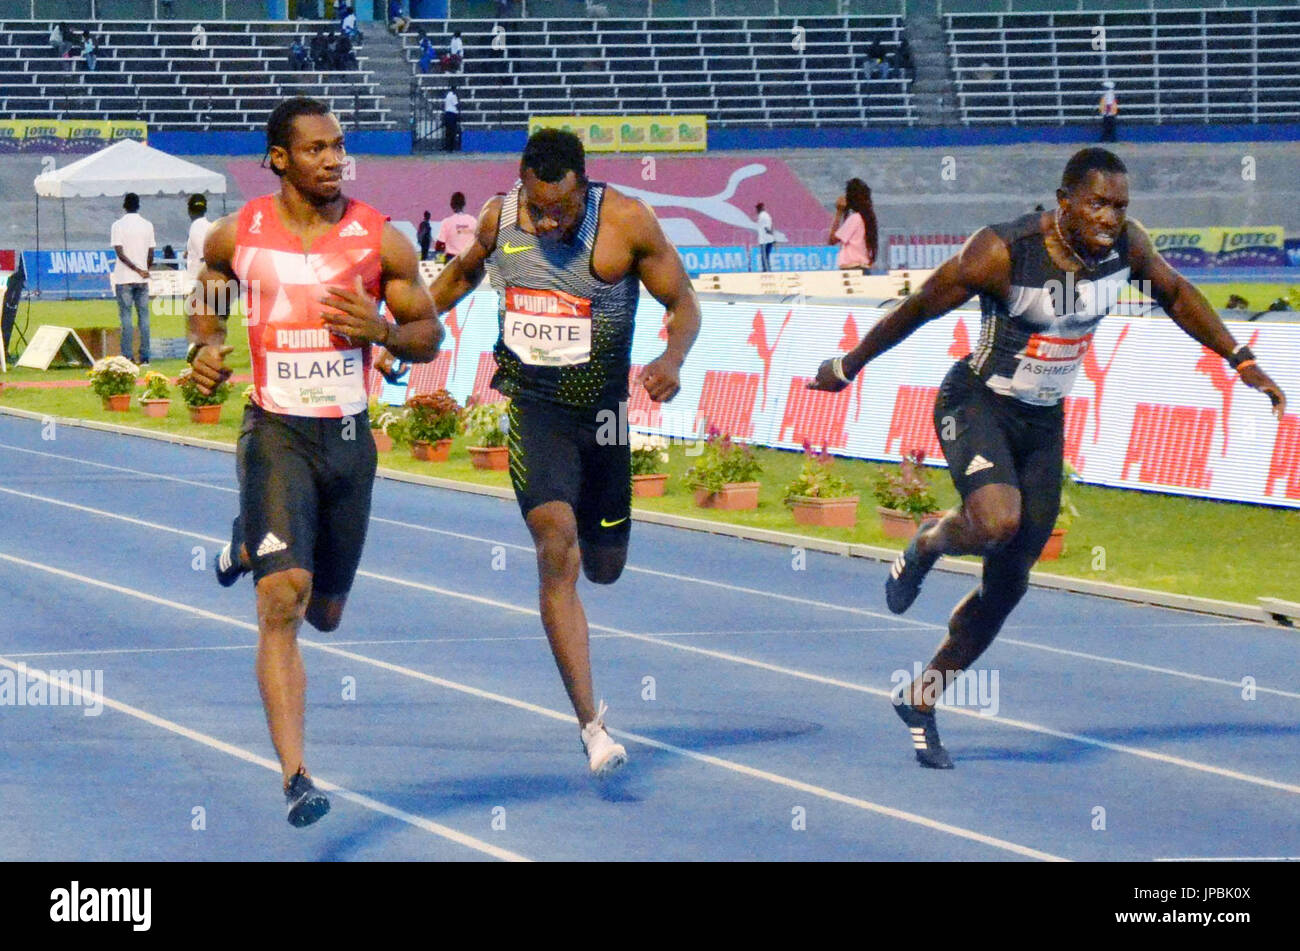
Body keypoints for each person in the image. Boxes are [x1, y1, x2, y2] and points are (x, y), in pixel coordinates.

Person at [807, 148, 1287, 770]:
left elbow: (1174, 291)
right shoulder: (1000, 251)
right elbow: (919, 308)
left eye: (1121, 207)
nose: (1111, 218)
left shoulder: (1126, 249)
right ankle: (930, 542)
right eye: (1098, 204)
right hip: (977, 401)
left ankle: (923, 697)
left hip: (1042, 422)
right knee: (997, 520)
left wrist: (1240, 358)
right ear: (1064, 200)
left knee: (1008, 586)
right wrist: (848, 365)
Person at [186, 96, 442, 825]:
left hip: (349, 443)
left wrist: (385, 330)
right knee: (282, 600)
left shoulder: (378, 240)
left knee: (326, 613)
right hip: (275, 432)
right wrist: (205, 345)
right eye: (317, 149)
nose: (333, 159)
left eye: (339, 147)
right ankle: (297, 775)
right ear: (278, 158)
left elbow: (429, 334)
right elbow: (208, 287)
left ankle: (246, 536)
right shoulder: (238, 234)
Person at [426, 129, 701, 776]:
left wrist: (672, 355)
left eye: (563, 210)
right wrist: (404, 326)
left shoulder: (626, 221)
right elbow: (461, 276)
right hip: (535, 408)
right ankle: (591, 725)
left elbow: (683, 301)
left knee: (605, 566)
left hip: (603, 416)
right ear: (522, 182)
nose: (549, 221)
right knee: (556, 545)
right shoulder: (500, 216)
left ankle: (596, 547)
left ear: (585, 186)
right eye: (539, 207)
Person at [110, 192, 155, 365]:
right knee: (144, 317)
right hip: (142, 279)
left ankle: (127, 355)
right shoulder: (147, 225)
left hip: (124, 278)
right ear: (138, 206)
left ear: (124, 206)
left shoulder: (118, 225)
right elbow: (151, 252)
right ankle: (145, 357)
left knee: (126, 318)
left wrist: (136, 269)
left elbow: (120, 254)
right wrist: (144, 270)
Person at [828, 177, 877, 272]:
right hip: (862, 266)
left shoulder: (855, 218)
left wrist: (839, 211)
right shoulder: (867, 218)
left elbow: (832, 240)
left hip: (853, 267)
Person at [434, 191, 476, 260]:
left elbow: (439, 244)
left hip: (452, 260)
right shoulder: (473, 221)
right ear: (464, 204)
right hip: (469, 260)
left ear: (451, 205)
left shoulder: (447, 222)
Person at [184, 193, 213, 293]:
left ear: (189, 210)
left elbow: (204, 259)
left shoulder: (196, 227)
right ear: (205, 210)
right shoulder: (210, 226)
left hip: (199, 283)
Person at [755, 202, 775, 272]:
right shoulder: (767, 215)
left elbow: (766, 227)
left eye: (757, 209)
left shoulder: (762, 216)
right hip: (769, 239)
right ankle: (767, 269)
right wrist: (773, 237)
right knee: (766, 256)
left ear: (759, 209)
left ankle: (766, 271)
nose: (756, 211)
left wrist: (769, 233)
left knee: (764, 256)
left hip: (764, 240)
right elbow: (770, 226)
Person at [442, 85, 460, 152]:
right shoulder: (453, 96)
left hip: (447, 114)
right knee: (452, 131)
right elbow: (456, 105)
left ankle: (447, 146)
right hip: (452, 114)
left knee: (448, 131)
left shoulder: (448, 95)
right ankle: (451, 147)